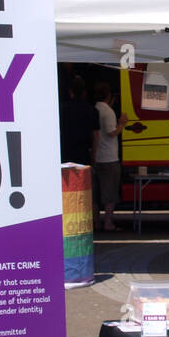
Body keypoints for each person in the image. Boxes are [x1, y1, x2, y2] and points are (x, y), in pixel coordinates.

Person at [92, 82, 126, 231]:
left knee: (95, 194)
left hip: (97, 156)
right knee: (110, 193)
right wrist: (122, 123)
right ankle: (108, 223)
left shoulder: (94, 109)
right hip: (109, 158)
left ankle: (96, 223)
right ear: (109, 96)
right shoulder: (108, 112)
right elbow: (112, 132)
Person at [60, 76, 98, 166]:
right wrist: (93, 156)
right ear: (84, 92)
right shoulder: (92, 110)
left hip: (66, 153)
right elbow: (96, 136)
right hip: (84, 154)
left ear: (70, 91)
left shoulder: (62, 109)